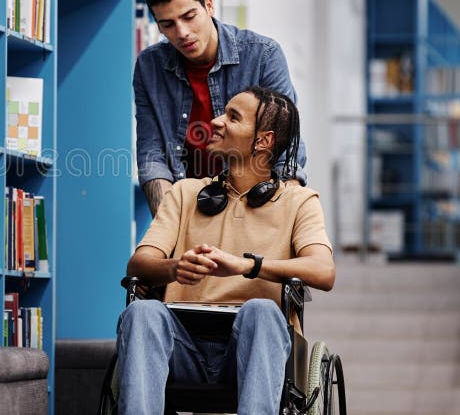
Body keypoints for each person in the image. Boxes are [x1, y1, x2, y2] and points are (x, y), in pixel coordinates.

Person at [117, 87, 335, 414]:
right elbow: (139, 262)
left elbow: (324, 271)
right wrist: (174, 268)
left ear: (263, 141)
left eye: (233, 117)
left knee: (262, 310)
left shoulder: (299, 202)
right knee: (142, 312)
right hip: (181, 349)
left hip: (253, 352)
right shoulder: (185, 193)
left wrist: (247, 266)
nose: (216, 121)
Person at [135, 0, 308, 216]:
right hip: (188, 205)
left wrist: (280, 216)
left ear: (209, 6)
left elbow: (286, 143)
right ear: (158, 26)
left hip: (254, 202)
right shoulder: (149, 65)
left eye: (189, 16)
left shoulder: (263, 55)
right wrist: (168, 224)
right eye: (168, 24)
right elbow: (152, 153)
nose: (182, 33)